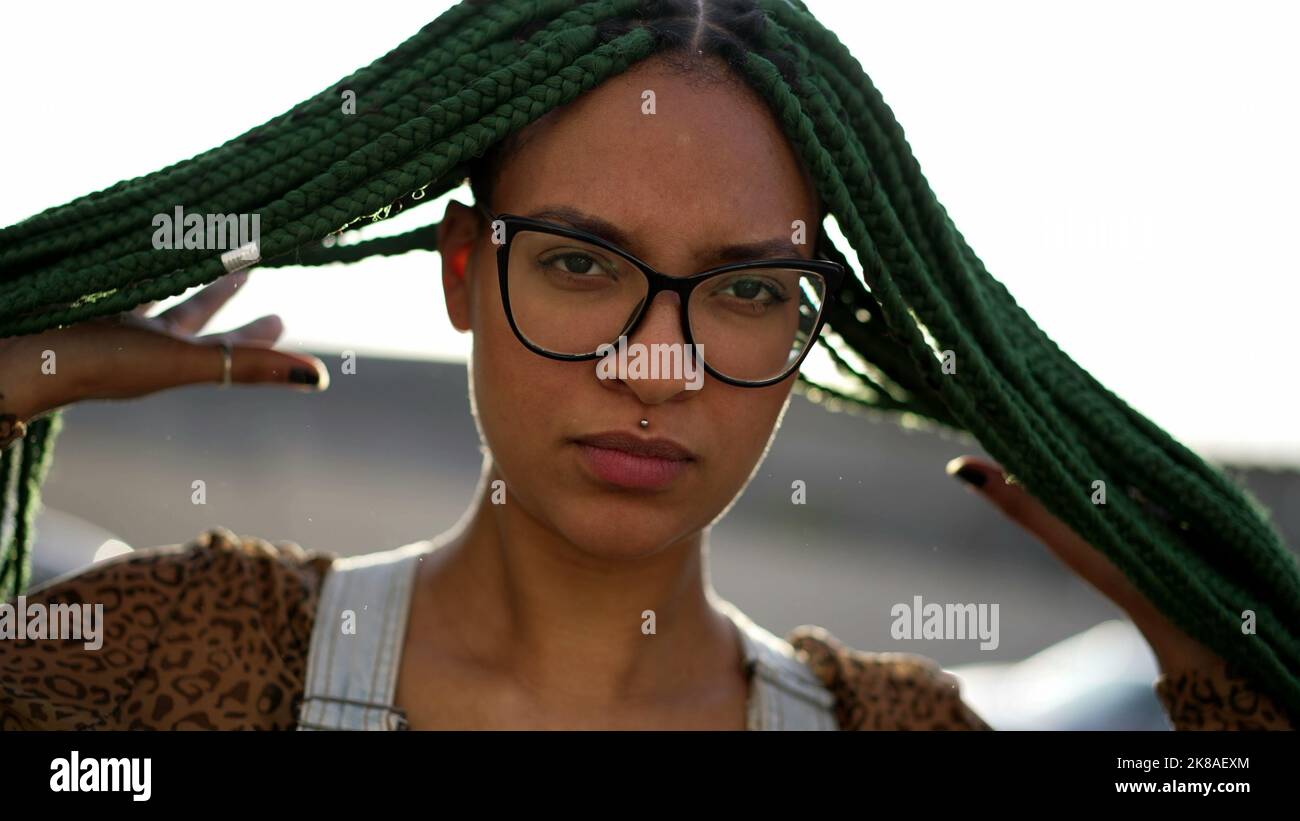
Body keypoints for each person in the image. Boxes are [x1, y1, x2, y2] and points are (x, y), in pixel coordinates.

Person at [0, 0, 1292, 730]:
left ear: (807, 331)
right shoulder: (162, 657)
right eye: (579, 263)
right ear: (463, 272)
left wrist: (1211, 642)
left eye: (743, 290)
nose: (657, 363)